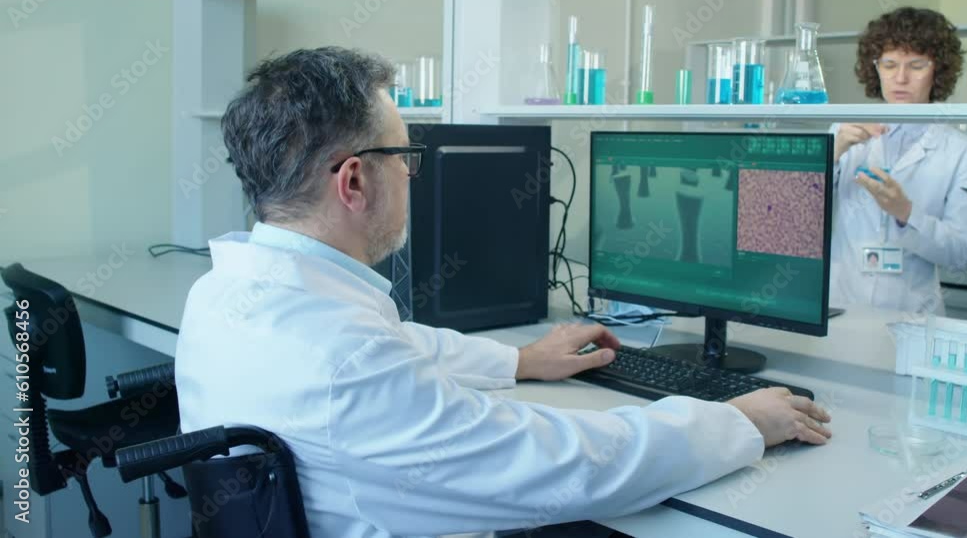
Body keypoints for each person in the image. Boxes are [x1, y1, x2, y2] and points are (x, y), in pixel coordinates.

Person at [174, 47, 831, 537]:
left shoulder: (224, 294)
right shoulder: (347, 361)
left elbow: (392, 346)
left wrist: (518, 360)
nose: (412, 176)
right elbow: (564, 464)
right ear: (354, 183)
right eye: (406, 159)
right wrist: (739, 423)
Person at [830, 7, 967, 314]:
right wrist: (831, 154)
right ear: (875, 67)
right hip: (840, 306)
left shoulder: (964, 151)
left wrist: (906, 213)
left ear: (938, 70)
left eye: (916, 65)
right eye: (889, 65)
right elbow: (796, 217)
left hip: (913, 313)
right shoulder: (844, 133)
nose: (900, 78)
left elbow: (963, 253)